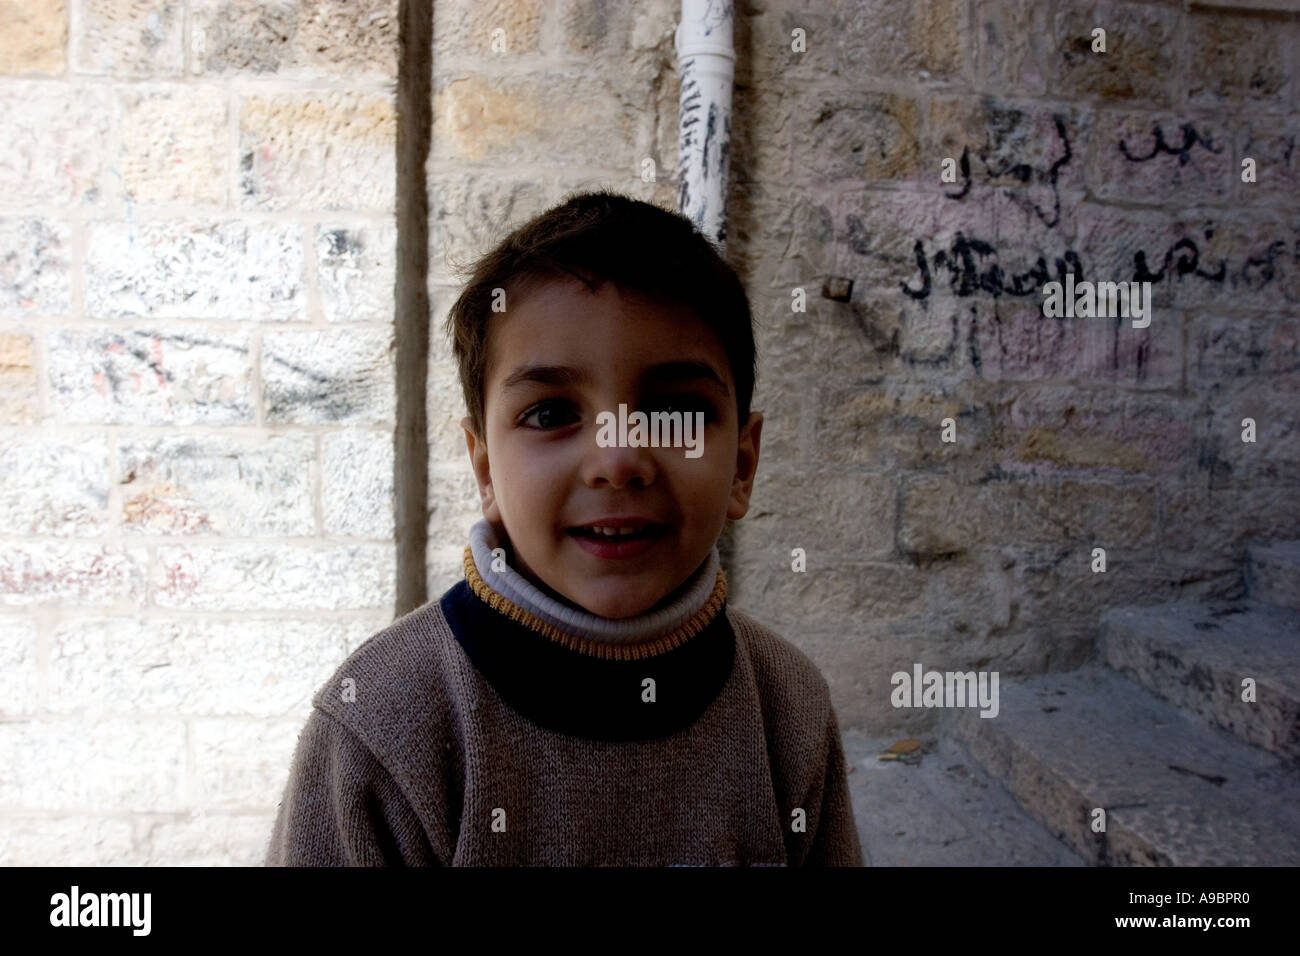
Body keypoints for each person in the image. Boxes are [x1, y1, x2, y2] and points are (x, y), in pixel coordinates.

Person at [265, 191, 863, 866]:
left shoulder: (788, 709)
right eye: (550, 414)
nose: (617, 460)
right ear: (485, 469)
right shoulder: (382, 722)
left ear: (742, 466)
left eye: (674, 411)